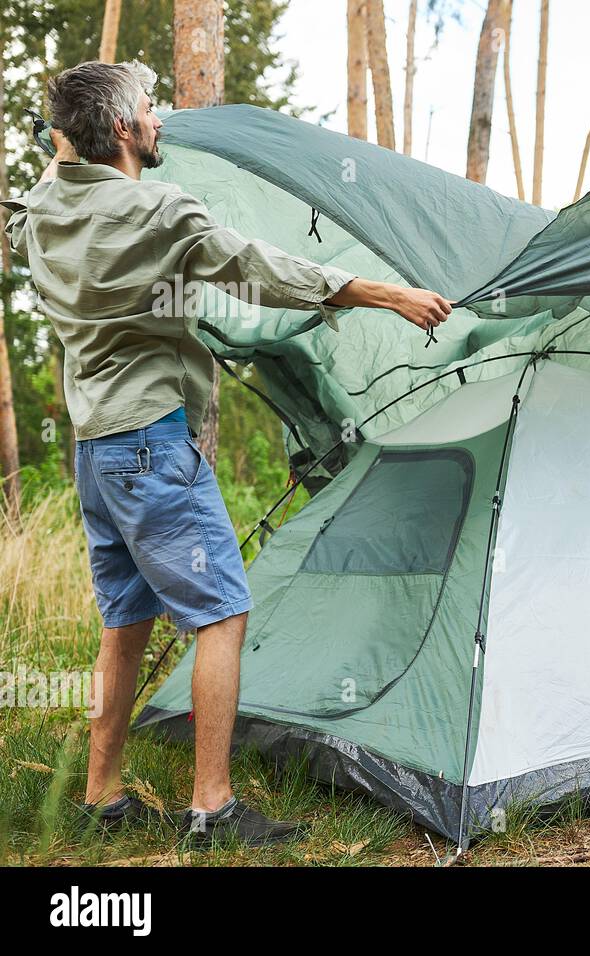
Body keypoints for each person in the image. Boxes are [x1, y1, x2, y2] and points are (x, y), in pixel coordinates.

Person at [2, 60, 454, 848]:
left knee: (125, 618)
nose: (161, 119)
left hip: (98, 456)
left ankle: (102, 796)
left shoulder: (41, 211)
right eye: (149, 109)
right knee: (222, 613)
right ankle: (212, 810)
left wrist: (61, 141)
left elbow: (35, 201)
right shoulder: (159, 210)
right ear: (121, 131)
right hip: (151, 445)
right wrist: (385, 293)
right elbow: (258, 269)